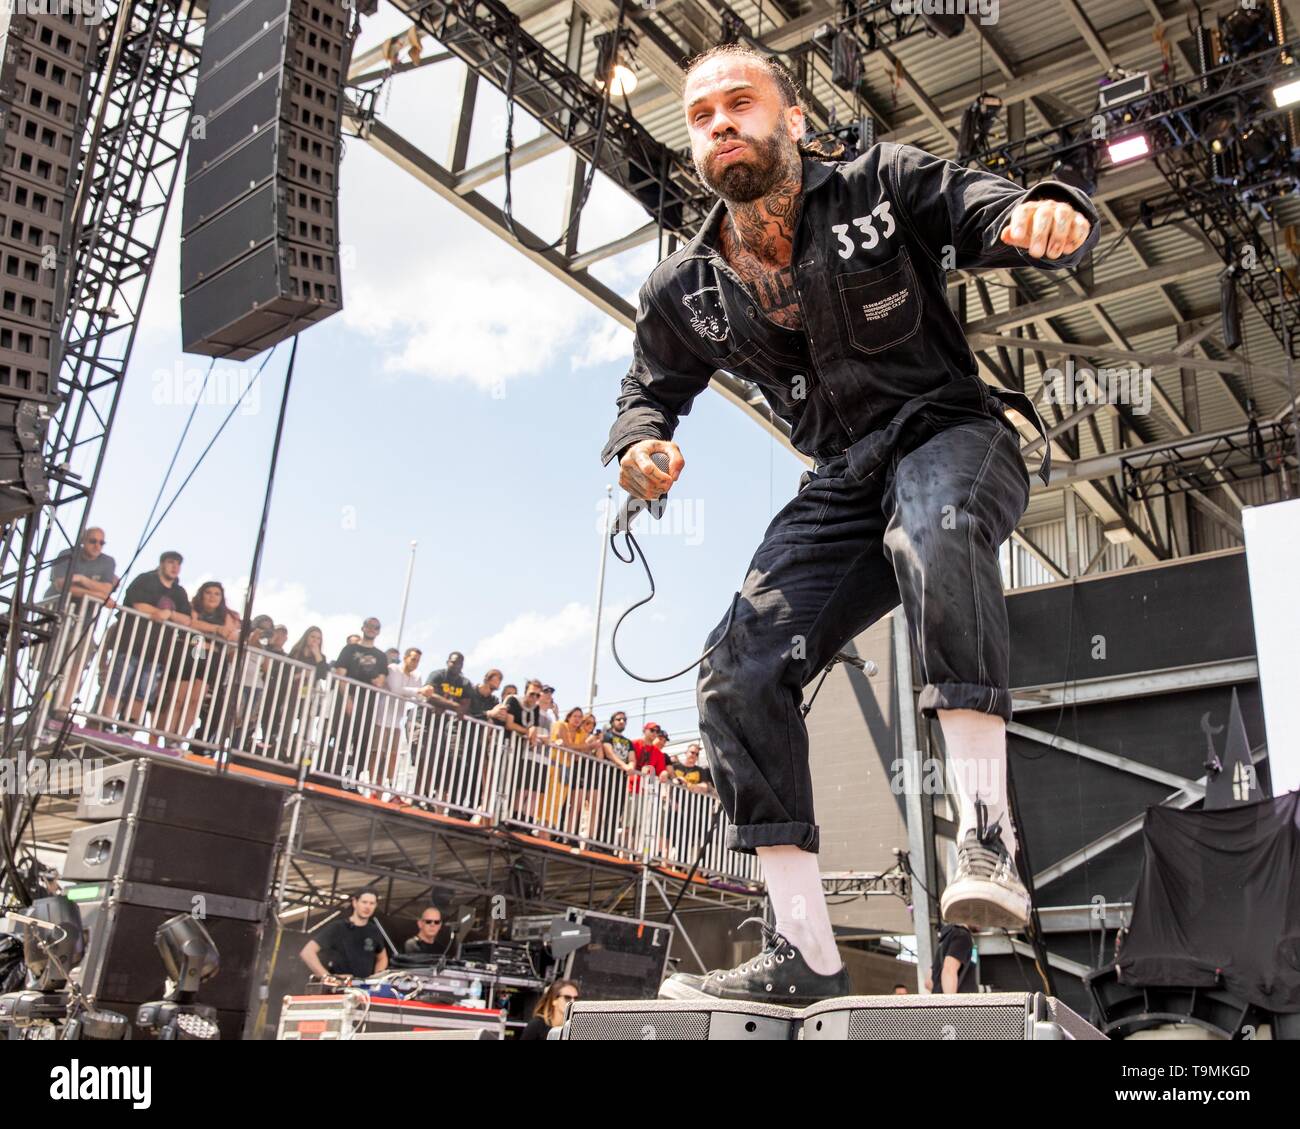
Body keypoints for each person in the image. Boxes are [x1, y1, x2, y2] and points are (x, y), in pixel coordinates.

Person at [604, 44, 1097, 1006]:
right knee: (736, 669)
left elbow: (990, 208)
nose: (720, 126)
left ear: (791, 119)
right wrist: (640, 443)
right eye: (701, 117)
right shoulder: (685, 286)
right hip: (841, 479)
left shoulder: (881, 184)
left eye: (740, 104)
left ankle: (986, 834)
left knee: (934, 529)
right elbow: (646, 389)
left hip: (951, 432)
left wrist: (1045, 211)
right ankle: (802, 953)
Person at [99, 550, 192, 728]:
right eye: (171, 562)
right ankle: (106, 723)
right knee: (118, 686)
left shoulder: (179, 592)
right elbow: (136, 604)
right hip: (131, 644)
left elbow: (187, 619)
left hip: (157, 651)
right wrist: (158, 613)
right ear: (162, 563)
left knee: (142, 692)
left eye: (178, 564)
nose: (175, 567)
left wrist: (168, 614)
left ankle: (127, 727)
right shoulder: (145, 580)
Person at [299, 888, 390, 982]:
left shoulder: (374, 930)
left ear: (375, 905)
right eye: (364, 902)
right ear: (355, 902)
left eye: (372, 903)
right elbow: (307, 952)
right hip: (338, 988)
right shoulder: (338, 927)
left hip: (363, 990)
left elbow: (382, 957)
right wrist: (326, 977)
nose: (368, 907)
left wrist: (377, 978)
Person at [926, 924, 977, 994]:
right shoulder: (962, 936)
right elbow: (949, 970)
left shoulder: (945, 940)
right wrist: (951, 1002)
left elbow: (928, 982)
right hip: (959, 1002)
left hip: (940, 1001)